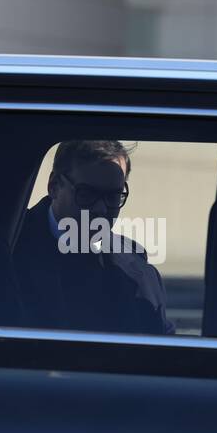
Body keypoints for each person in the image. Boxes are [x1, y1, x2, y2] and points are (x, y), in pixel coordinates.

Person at [12, 139, 174, 335]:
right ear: (54, 186)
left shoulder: (139, 271)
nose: (101, 208)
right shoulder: (4, 253)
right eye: (87, 194)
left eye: (113, 196)